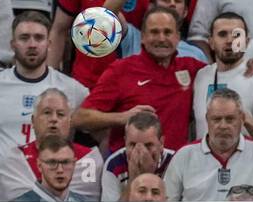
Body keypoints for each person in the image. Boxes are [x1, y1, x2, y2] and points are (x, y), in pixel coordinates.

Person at [0, 11, 87, 202]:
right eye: (24, 38)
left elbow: (101, 132)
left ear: (49, 43)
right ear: (12, 44)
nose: (32, 44)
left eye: (39, 38)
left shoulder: (71, 89)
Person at [73, 4, 209, 152]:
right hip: (128, 166)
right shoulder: (121, 70)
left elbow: (226, 72)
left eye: (168, 32)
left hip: (174, 167)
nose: (161, 38)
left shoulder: (192, 68)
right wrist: (123, 118)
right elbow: (80, 118)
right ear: (143, 37)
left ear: (177, 37)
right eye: (154, 32)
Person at [166, 89, 253, 201]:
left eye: (230, 119)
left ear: (242, 119)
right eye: (216, 119)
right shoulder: (184, 156)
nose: (223, 126)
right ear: (207, 119)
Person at [191, 11, 253, 142]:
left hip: (246, 160)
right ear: (211, 42)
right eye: (222, 34)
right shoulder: (201, 76)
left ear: (247, 41)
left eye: (237, 35)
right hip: (203, 160)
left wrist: (245, 118)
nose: (229, 41)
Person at [100, 109, 175, 202]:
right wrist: (134, 179)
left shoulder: (174, 161)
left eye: (148, 145)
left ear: (161, 143)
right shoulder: (113, 164)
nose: (141, 151)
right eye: (133, 144)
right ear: (125, 142)